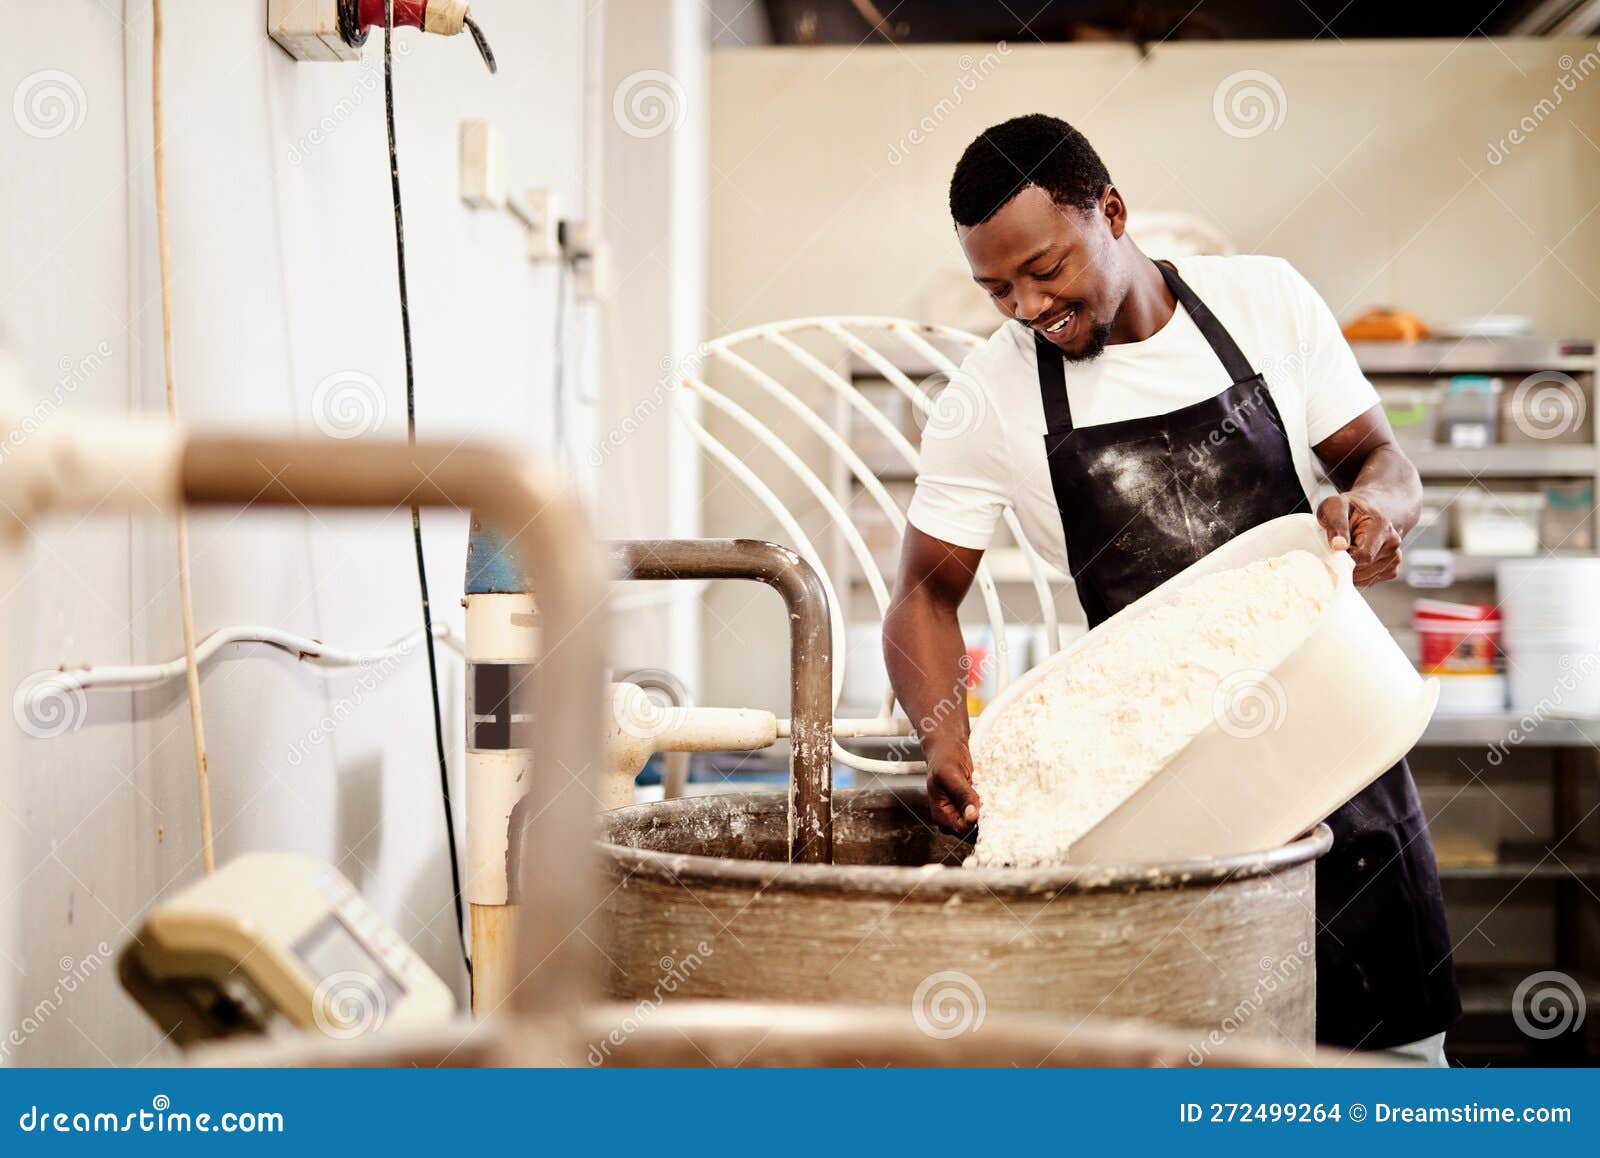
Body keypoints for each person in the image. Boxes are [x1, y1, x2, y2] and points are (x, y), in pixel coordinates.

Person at [882, 113, 1458, 1061]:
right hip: (1161, 798)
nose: (1028, 308)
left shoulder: (1263, 299)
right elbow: (923, 595)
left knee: (1394, 1067)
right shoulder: (986, 400)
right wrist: (943, 731)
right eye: (998, 290)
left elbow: (1377, 458)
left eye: (1046, 270)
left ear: (1111, 211)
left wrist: (1377, 513)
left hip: (1335, 755)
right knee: (1193, 1075)